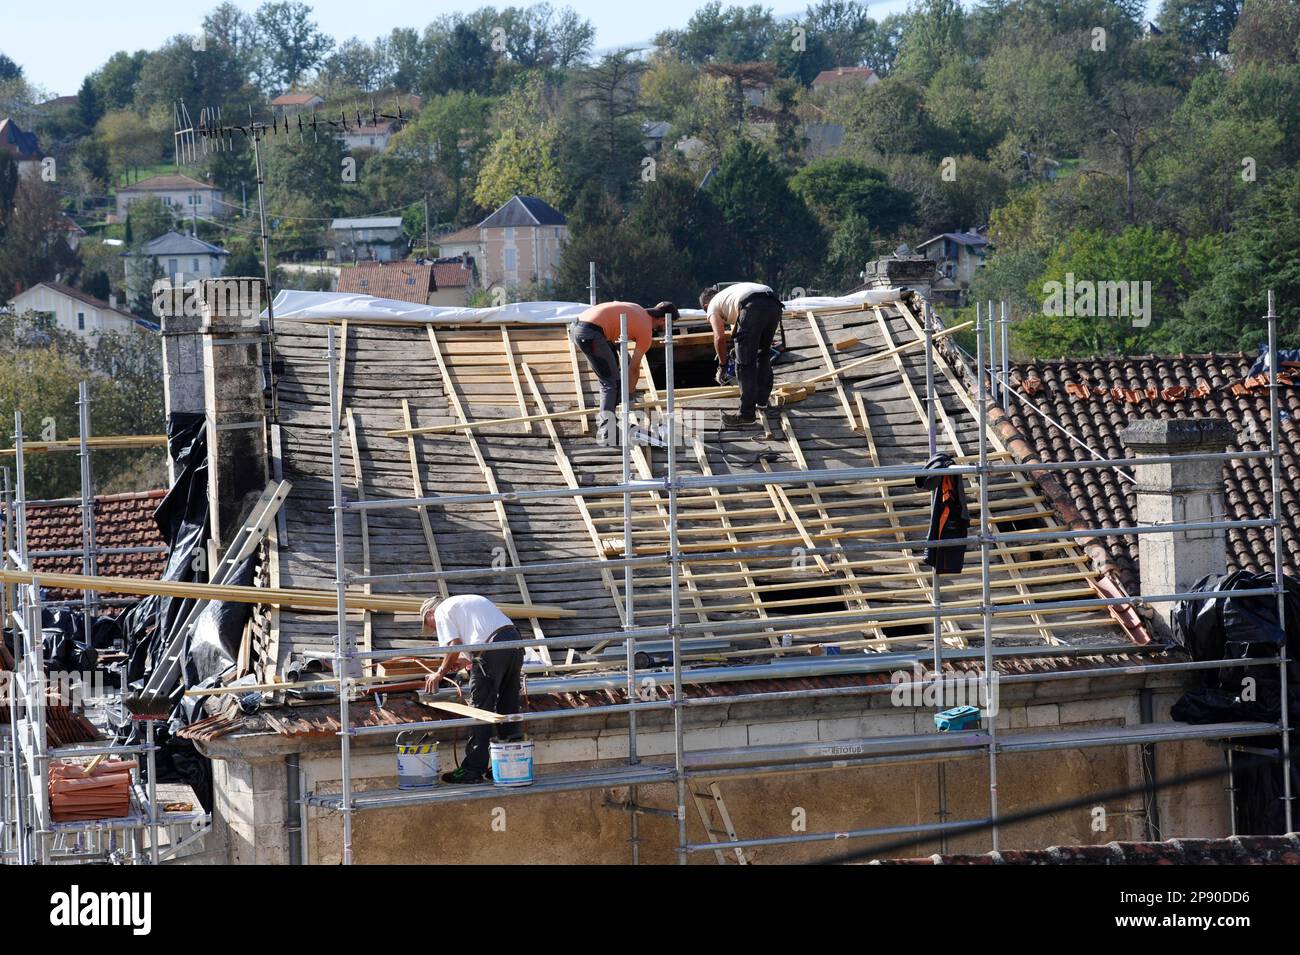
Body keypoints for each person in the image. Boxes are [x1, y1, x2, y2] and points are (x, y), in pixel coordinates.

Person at [420, 594, 525, 784]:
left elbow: (454, 645)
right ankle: (508, 767)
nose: (434, 629)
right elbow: (483, 637)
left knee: (479, 710)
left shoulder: (442, 610)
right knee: (508, 704)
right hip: (514, 643)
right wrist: (467, 661)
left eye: (431, 625)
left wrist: (440, 673)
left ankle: (473, 769)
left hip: (491, 649)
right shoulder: (463, 603)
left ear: (430, 613)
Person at [568, 301, 676, 419]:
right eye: (671, 324)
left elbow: (618, 343)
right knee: (611, 383)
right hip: (590, 332)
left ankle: (613, 415)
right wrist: (630, 395)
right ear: (664, 320)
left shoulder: (637, 310)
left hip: (576, 327)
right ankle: (608, 431)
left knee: (615, 372)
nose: (669, 329)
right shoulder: (646, 332)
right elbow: (634, 368)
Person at [700, 282, 784, 428]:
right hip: (773, 303)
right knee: (763, 354)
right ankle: (762, 402)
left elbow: (719, 338)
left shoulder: (712, 306)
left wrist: (723, 365)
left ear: (706, 305)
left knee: (744, 363)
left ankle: (746, 415)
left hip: (753, 307)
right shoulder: (730, 295)